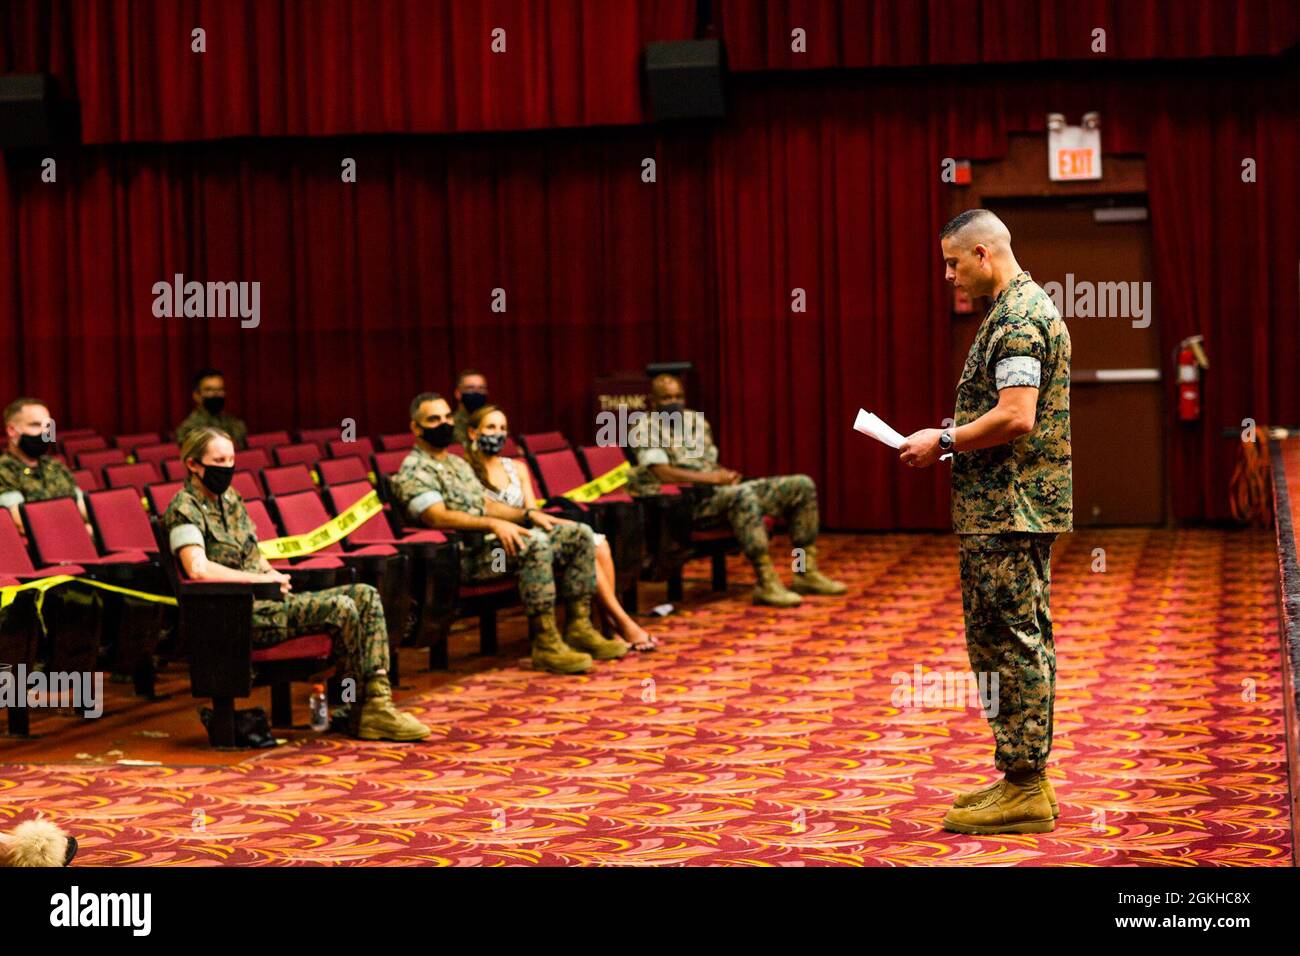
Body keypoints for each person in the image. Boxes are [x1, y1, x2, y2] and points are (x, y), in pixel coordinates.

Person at [900, 208, 1071, 835]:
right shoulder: (1014, 310)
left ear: (982, 255)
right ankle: (1023, 778)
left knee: (1010, 639)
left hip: (1009, 507)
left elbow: (1015, 416)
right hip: (1003, 507)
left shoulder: (1021, 319)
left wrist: (941, 440)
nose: (947, 276)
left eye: (952, 262)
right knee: (1007, 637)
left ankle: (1026, 783)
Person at [162, 427, 430, 742]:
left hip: (269, 601)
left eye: (232, 459)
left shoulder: (231, 499)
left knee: (365, 596)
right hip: (236, 614)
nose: (228, 467)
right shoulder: (183, 509)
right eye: (219, 460)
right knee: (342, 608)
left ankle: (371, 704)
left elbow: (252, 552)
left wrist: (270, 573)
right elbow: (198, 569)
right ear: (193, 465)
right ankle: (364, 707)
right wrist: (260, 580)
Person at [390, 392, 627, 674]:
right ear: (416, 428)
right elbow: (436, 516)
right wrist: (493, 524)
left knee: (578, 534)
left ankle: (579, 627)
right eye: (433, 419)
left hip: (493, 547)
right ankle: (546, 643)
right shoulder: (413, 469)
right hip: (464, 556)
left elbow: (487, 505)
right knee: (534, 544)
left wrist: (528, 515)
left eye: (446, 417)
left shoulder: (456, 463)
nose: (443, 423)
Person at [626, 374, 846, 607]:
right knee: (743, 496)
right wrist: (712, 479)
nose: (674, 402)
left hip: (718, 491)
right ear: (653, 402)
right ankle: (766, 581)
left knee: (800, 486)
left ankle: (804, 570)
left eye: (678, 396)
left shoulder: (695, 421)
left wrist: (724, 476)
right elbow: (663, 473)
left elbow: (707, 462)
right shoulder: (645, 428)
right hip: (688, 504)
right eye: (667, 398)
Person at [465, 403, 657, 651]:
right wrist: (527, 517)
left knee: (594, 541)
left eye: (502, 428)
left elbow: (533, 511)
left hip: (529, 538)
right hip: (496, 552)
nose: (498, 433)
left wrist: (544, 522)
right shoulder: (464, 470)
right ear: (473, 432)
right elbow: (488, 510)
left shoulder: (517, 468)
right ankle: (618, 623)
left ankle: (606, 625)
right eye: (490, 427)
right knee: (572, 543)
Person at [0, 397, 94, 539]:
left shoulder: (54, 465)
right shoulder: (4, 470)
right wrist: (79, 530)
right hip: (44, 551)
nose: (44, 432)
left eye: (47, 425)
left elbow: (84, 507)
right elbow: (22, 523)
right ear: (12, 430)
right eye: (35, 425)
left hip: (78, 541)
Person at [175, 368, 248, 449]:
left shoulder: (235, 424)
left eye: (220, 389)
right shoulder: (188, 429)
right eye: (209, 390)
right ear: (197, 395)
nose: (216, 394)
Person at [450, 369, 489, 446]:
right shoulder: (451, 424)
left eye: (481, 388)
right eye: (470, 388)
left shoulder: (493, 420)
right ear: (458, 393)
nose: (476, 392)